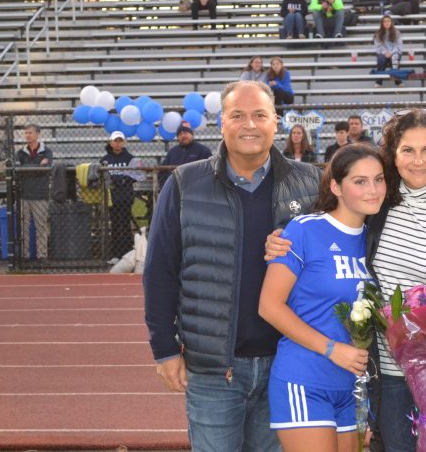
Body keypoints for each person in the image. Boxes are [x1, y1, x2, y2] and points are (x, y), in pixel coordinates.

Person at [265, 109, 426, 452]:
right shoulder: (377, 208)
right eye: (407, 150)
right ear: (393, 155)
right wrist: (278, 235)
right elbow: (332, 214)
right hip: (388, 377)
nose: (417, 160)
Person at [143, 81, 322, 451]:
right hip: (214, 369)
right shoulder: (184, 183)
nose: (249, 125)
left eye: (259, 115)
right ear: (221, 122)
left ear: (277, 121)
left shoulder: (311, 183)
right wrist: (164, 349)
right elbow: (160, 272)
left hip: (288, 365)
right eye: (237, 115)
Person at [259, 145, 386, 451]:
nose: (373, 190)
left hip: (354, 387)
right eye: (360, 181)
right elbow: (269, 307)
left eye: (379, 179)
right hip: (306, 380)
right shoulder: (305, 230)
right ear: (335, 186)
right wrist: (331, 349)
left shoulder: (378, 238)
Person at [16, 123, 52, 260]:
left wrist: (27, 169)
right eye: (26, 133)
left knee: (41, 227)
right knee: (23, 228)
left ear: (38, 134)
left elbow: (46, 169)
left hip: (40, 195)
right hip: (23, 195)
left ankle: (42, 256)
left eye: (30, 133)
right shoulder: (20, 153)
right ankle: (24, 256)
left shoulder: (47, 151)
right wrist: (37, 166)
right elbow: (18, 171)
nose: (27, 135)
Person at [101, 131, 136, 261]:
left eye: (120, 141)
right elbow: (103, 177)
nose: (117, 143)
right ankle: (115, 253)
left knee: (126, 224)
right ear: (111, 142)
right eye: (115, 141)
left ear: (124, 142)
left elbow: (137, 175)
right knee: (115, 224)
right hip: (112, 197)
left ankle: (127, 252)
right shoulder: (105, 159)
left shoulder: (130, 158)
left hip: (126, 195)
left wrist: (124, 180)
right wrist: (114, 180)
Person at [160, 124, 212, 188]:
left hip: (195, 188)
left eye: (185, 133)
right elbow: (162, 172)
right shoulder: (172, 152)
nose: (183, 136)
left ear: (191, 135)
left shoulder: (203, 150)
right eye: (180, 134)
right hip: (175, 187)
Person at [373, 15, 403, 87]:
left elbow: (398, 46)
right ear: (382, 23)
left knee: (395, 58)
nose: (387, 23)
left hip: (394, 52)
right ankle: (378, 82)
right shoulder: (378, 33)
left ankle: (397, 81)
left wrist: (391, 53)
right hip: (383, 53)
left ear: (391, 23)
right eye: (385, 22)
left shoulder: (397, 33)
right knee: (381, 60)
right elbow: (378, 46)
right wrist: (385, 52)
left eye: (388, 21)